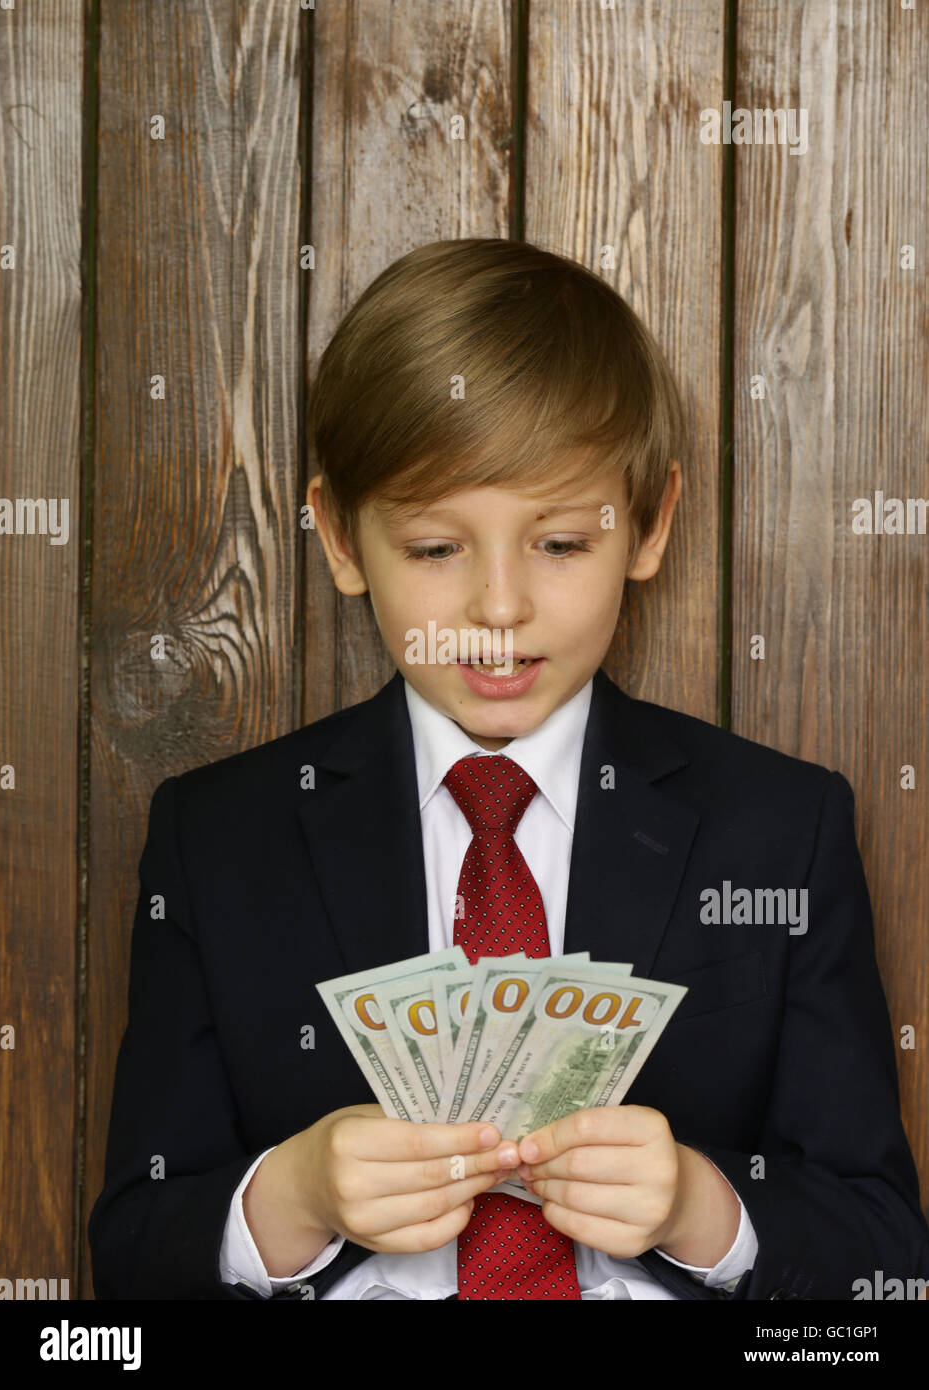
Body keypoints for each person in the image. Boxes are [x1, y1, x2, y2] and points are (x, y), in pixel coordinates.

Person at [88, 238, 929, 1300]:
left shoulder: (781, 829)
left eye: (563, 544)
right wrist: (287, 1198)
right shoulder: (219, 840)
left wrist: (700, 1207)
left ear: (652, 523)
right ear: (342, 539)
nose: (498, 608)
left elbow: (884, 1251)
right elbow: (129, 1251)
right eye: (437, 549)